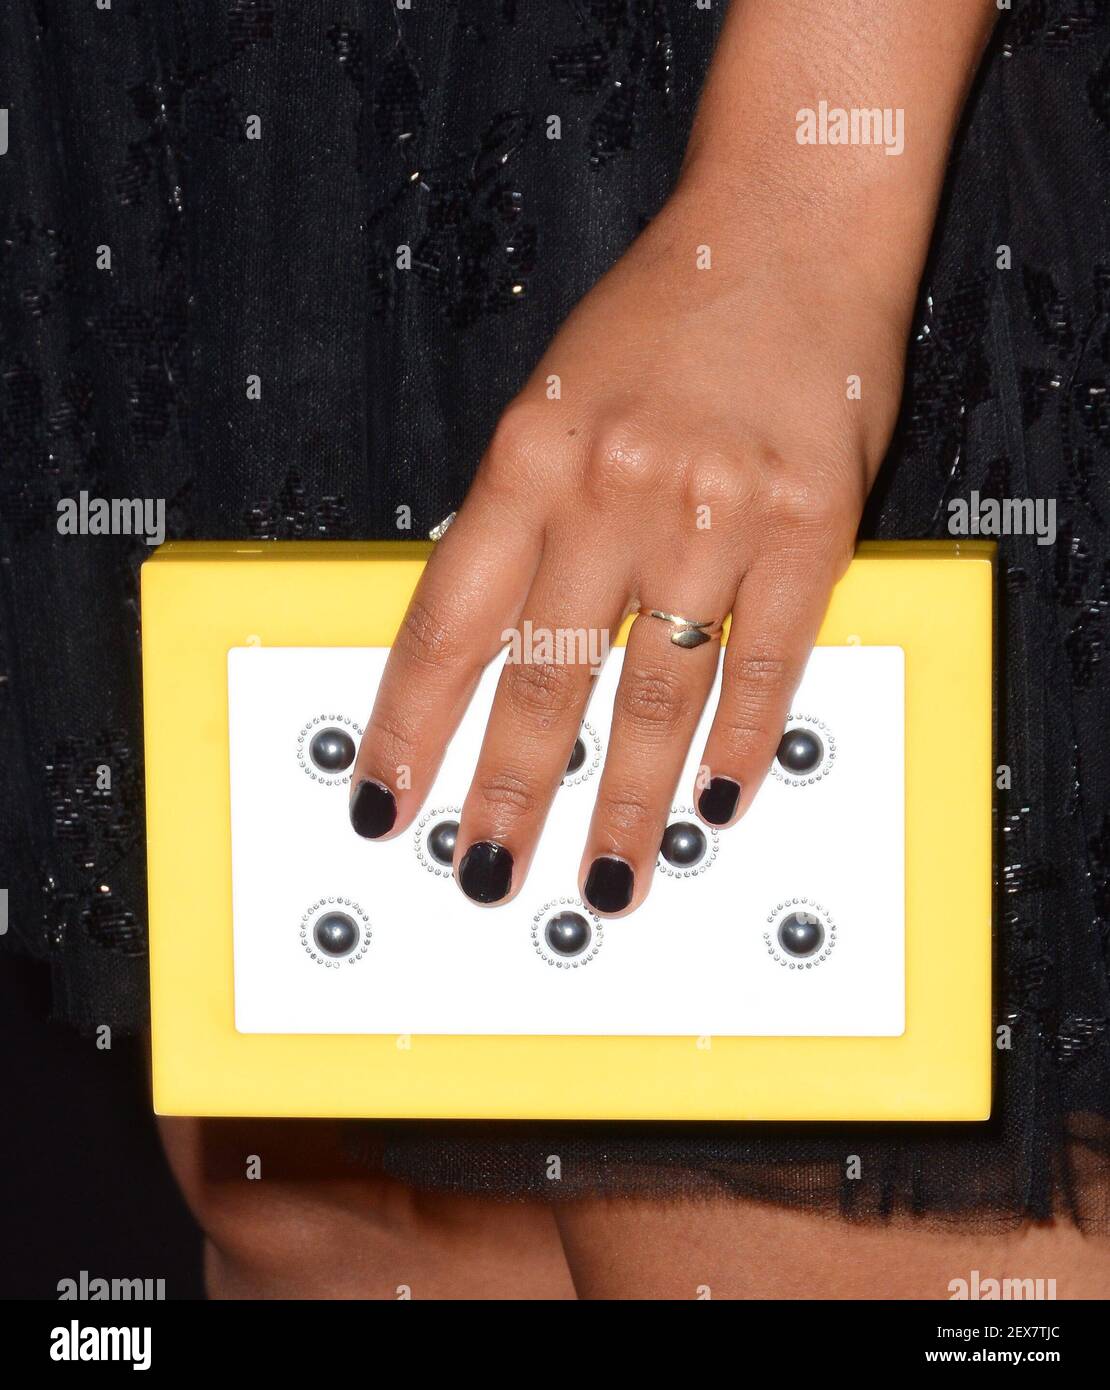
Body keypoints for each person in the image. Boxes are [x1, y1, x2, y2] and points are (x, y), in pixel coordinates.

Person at [3, 0, 1109, 1297]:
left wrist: (798, 199)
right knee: (326, 1215)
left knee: (778, 1221)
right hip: (240, 86)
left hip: (706, 84)